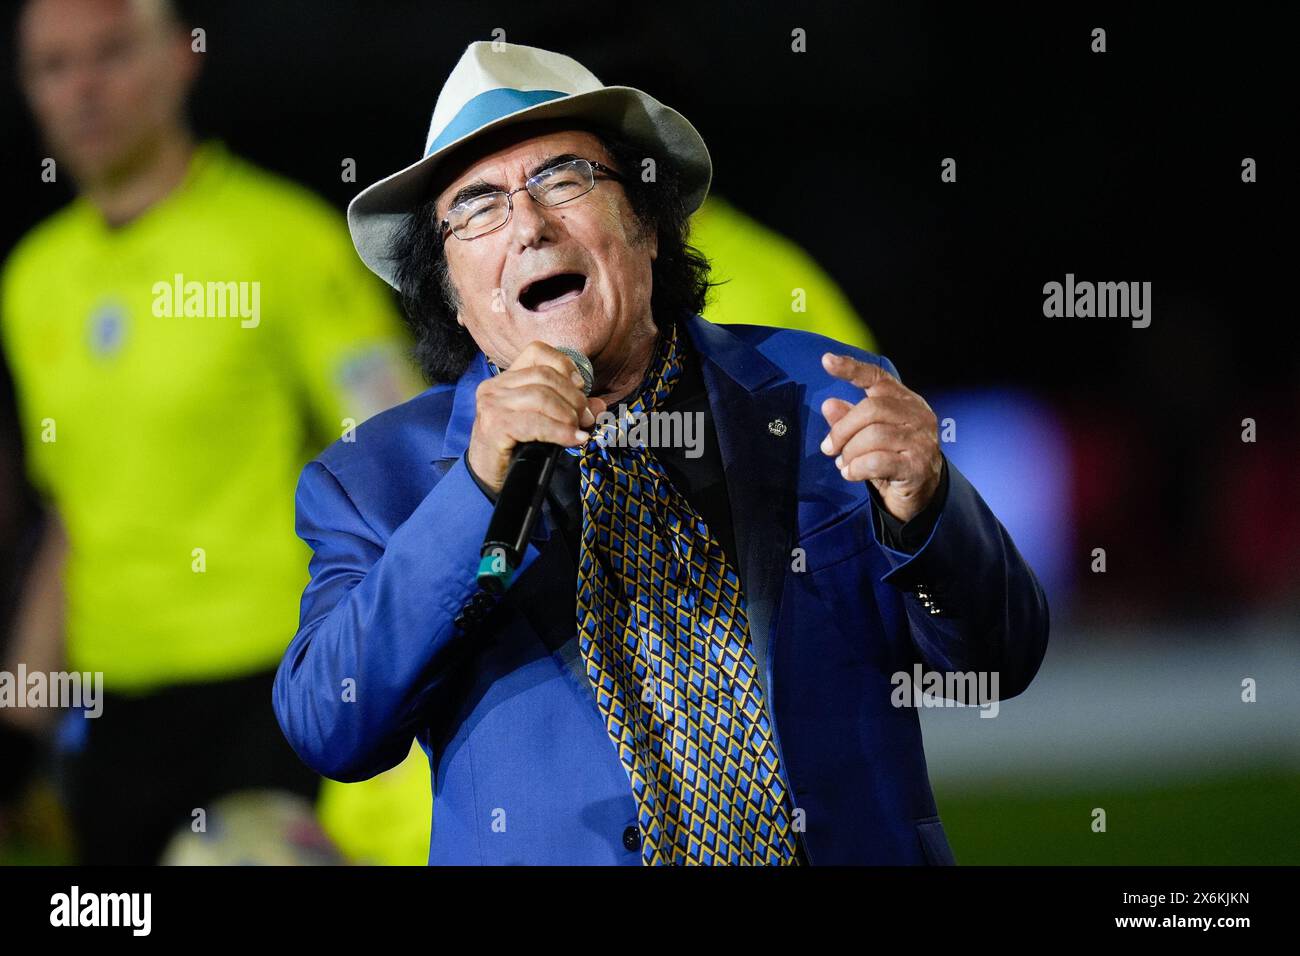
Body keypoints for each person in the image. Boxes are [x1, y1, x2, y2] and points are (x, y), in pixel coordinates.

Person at [273, 41, 1050, 865]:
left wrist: (928, 508)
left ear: (648, 224)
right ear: (455, 295)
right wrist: (474, 491)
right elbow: (332, 727)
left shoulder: (820, 389)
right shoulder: (375, 479)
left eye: (563, 179)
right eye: (477, 208)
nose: (529, 226)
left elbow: (998, 660)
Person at [0, 0, 420, 863]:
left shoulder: (284, 242)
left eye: (111, 53)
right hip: (112, 718)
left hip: (273, 695)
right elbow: (72, 517)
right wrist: (17, 716)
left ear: (180, 59)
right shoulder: (32, 279)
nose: (83, 88)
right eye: (53, 65)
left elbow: (402, 465)